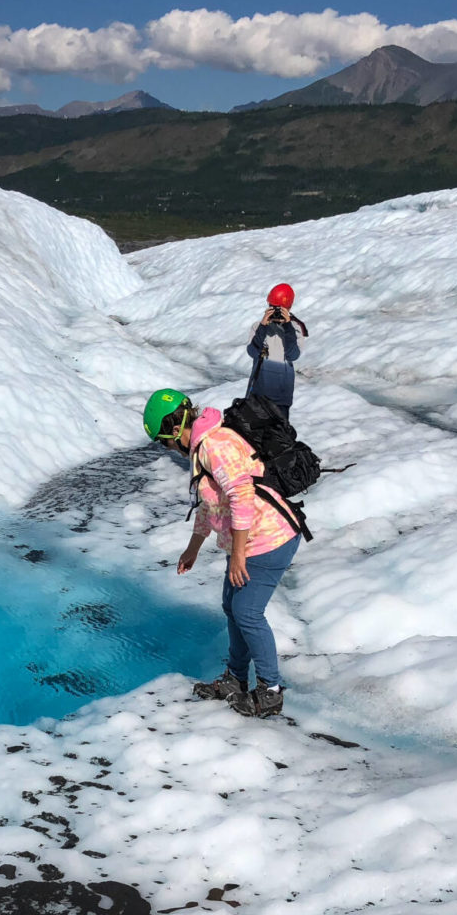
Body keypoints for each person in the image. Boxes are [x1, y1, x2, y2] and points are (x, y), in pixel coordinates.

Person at [143, 389, 301, 719]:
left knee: (247, 611)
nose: (166, 448)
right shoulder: (201, 447)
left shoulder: (215, 446)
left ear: (175, 430)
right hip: (246, 540)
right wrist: (193, 548)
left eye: (163, 441)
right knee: (232, 606)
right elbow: (212, 503)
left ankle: (270, 691)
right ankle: (236, 679)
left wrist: (240, 555)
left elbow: (242, 497)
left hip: (270, 538)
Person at [246, 283, 306, 420]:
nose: (276, 312)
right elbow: (252, 352)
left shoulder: (296, 328)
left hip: (281, 399)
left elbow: (293, 354)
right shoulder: (258, 327)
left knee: (278, 438)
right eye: (272, 307)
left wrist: (287, 326)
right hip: (257, 395)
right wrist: (263, 327)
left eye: (280, 309)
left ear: (288, 308)